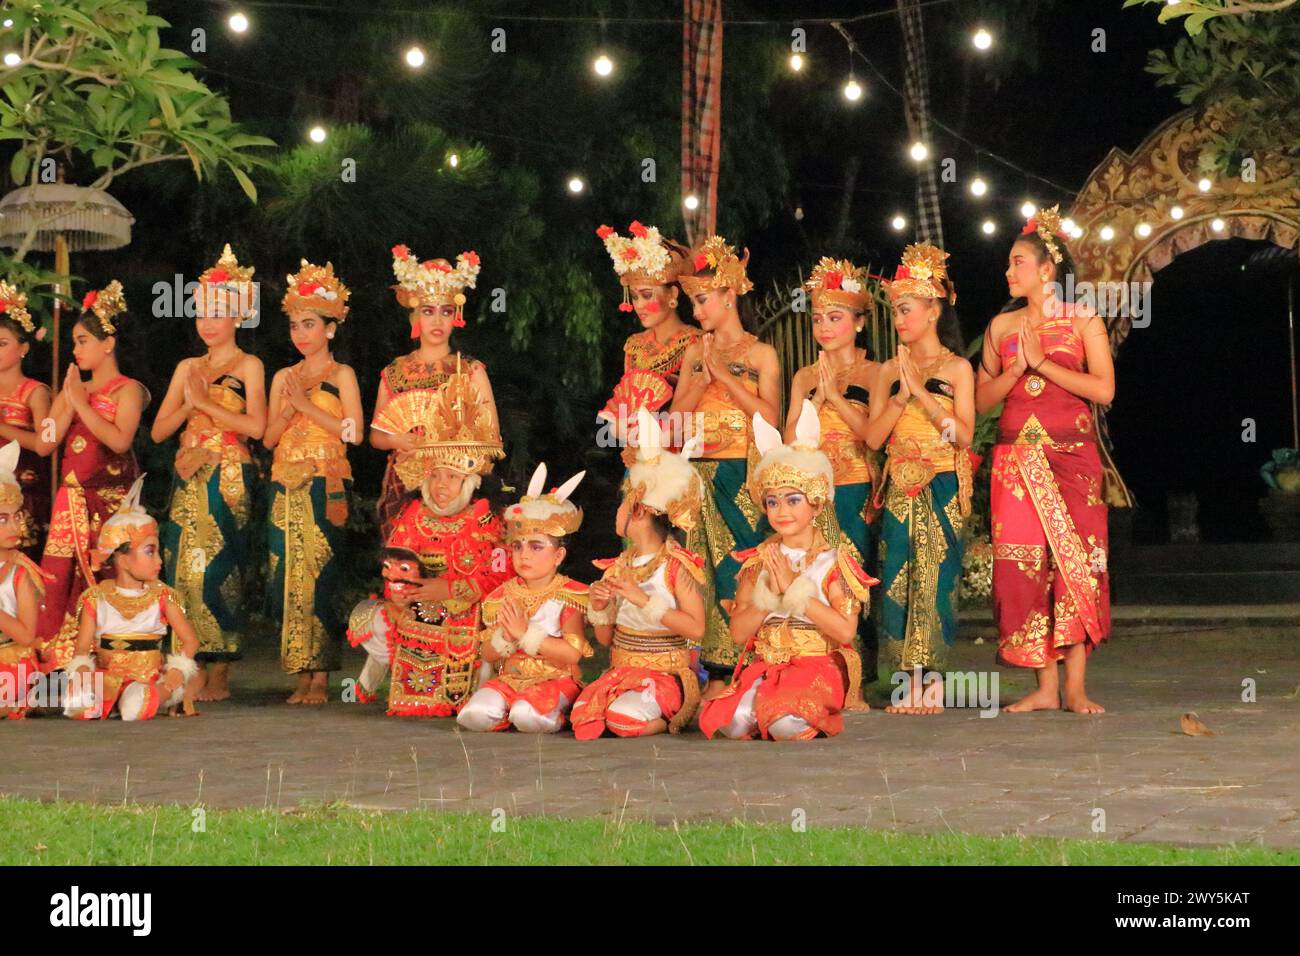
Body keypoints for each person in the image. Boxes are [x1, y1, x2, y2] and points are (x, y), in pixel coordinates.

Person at [975, 206, 1114, 714]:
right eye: (1009, 264)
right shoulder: (1001, 325)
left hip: (1072, 458)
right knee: (1023, 567)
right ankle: (1045, 686)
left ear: (1047, 270)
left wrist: (1045, 366)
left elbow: (1104, 389)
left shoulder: (1082, 320)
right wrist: (1016, 370)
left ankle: (1074, 687)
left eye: (1017, 263)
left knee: (1073, 564)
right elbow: (981, 399)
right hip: (1017, 462)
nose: (1008, 273)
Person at [698, 401, 876, 740]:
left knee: (784, 725)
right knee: (729, 723)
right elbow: (738, 633)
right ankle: (769, 704)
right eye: (773, 502)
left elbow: (844, 632)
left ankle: (789, 710)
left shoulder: (834, 563)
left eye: (793, 500)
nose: (782, 511)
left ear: (816, 502)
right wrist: (771, 598)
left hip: (815, 667)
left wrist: (795, 589)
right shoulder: (758, 562)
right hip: (766, 667)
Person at [351, 366, 509, 716]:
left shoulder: (486, 518)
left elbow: (501, 576)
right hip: (422, 608)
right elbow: (395, 562)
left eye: (452, 477)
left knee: (500, 619)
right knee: (371, 618)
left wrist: (450, 590)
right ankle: (389, 678)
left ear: (469, 481)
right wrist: (402, 589)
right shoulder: (414, 513)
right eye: (435, 475)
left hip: (471, 612)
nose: (441, 485)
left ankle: (483, 692)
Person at [863, 243, 975, 715]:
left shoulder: (956, 368)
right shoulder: (888, 370)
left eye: (907, 310)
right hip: (899, 485)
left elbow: (963, 435)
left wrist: (923, 398)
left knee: (935, 579)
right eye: (895, 311)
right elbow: (872, 438)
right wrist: (897, 397)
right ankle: (903, 677)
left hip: (942, 481)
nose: (899, 320)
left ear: (933, 311)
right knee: (898, 578)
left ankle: (931, 681)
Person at [669, 235, 781, 695]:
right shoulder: (695, 352)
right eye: (693, 302)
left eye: (701, 300)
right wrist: (701, 377)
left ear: (729, 295)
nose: (696, 312)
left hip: (740, 470)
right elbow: (676, 419)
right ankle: (705, 671)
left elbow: (771, 419)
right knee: (697, 567)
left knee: (737, 567)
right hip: (698, 470)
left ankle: (742, 667)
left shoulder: (761, 354)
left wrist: (727, 380)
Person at [153, 244, 266, 703]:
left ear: (238, 315)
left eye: (217, 312)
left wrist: (204, 404)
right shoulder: (187, 367)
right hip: (188, 473)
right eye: (201, 312)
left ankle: (222, 666)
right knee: (182, 569)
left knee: (223, 568)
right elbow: (160, 430)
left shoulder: (249, 366)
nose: (208, 322)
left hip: (228, 476)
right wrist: (188, 402)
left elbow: (256, 427)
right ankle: (188, 662)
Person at [573, 408, 708, 738]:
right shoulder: (618, 566)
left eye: (624, 501)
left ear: (640, 508)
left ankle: (669, 718)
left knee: (622, 720)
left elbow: (697, 628)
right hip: (622, 669)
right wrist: (600, 605)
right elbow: (605, 640)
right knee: (582, 719)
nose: (618, 510)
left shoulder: (676, 566)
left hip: (663, 676)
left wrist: (643, 599)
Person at [263, 260, 364, 705]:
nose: (301, 334)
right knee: (285, 577)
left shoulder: (342, 375)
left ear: (330, 329)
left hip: (325, 482)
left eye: (309, 324)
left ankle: (321, 676)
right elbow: (267, 436)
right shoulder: (282, 377)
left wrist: (305, 405)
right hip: (285, 482)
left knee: (321, 575)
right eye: (295, 326)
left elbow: (353, 432)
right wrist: (289, 408)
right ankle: (298, 673)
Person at [35, 281, 147, 671]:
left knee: (107, 576)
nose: (76, 350)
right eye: (74, 343)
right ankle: (57, 663)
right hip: (71, 503)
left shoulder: (128, 390)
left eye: (83, 341)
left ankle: (112, 666)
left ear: (108, 343)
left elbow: (119, 441)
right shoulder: (72, 389)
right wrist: (63, 401)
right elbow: (46, 444)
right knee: (57, 581)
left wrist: (80, 403)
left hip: (109, 502)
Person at [788, 257, 881, 682]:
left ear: (859, 322)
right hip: (812, 493)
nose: (824, 326)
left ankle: (858, 667)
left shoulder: (876, 372)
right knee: (814, 574)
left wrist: (834, 398)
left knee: (853, 575)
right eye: (819, 318)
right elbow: (791, 438)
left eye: (836, 317)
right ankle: (819, 662)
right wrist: (817, 398)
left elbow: (871, 435)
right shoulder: (804, 376)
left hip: (855, 485)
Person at [371, 245, 497, 539]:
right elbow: (376, 436)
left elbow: (490, 435)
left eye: (446, 311)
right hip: (403, 481)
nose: (437, 321)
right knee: (404, 564)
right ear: (415, 316)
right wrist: (396, 438)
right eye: (428, 311)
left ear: (456, 315)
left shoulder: (470, 370)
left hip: (453, 484)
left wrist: (450, 448)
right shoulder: (394, 371)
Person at [456, 464, 591, 734]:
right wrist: (505, 638)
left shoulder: (571, 594)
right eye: (518, 546)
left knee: (528, 717)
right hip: (510, 679)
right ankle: (512, 709)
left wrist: (525, 634)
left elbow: (572, 654)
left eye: (536, 546)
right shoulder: (501, 595)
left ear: (558, 556)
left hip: (555, 679)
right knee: (473, 715)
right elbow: (487, 654)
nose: (524, 554)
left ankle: (554, 711)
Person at [62, 476, 200, 721]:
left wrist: (177, 670)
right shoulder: (96, 597)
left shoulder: (164, 596)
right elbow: (83, 646)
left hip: (150, 678)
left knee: (135, 706)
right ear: (122, 559)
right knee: (76, 704)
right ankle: (112, 700)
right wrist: (82, 666)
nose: (158, 561)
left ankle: (142, 699)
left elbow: (189, 641)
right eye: (150, 552)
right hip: (107, 677)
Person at [595, 221, 699, 463]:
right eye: (635, 297)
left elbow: (690, 411)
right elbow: (626, 404)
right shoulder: (633, 345)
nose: (639, 305)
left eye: (647, 295)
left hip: (679, 455)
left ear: (672, 295)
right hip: (637, 455)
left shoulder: (695, 342)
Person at [0, 281, 51, 559]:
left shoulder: (35, 391)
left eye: (2, 343)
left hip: (23, 493)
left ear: (23, 348)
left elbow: (44, 445)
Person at [0, 440, 49, 719]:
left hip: (11, 665)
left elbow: (26, 635)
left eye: (15, 517)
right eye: (1, 519)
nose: (14, 526)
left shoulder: (21, 573)